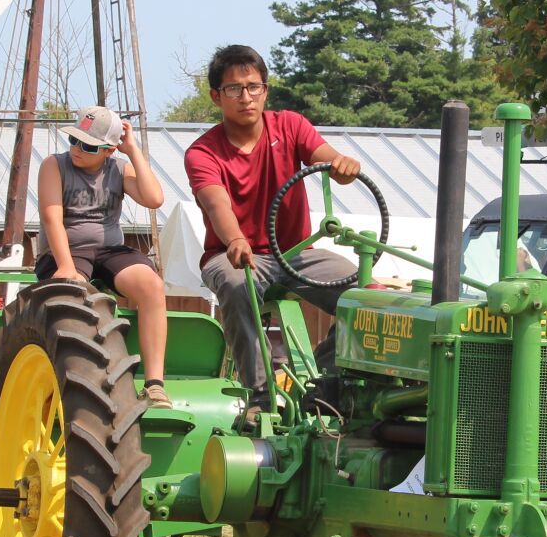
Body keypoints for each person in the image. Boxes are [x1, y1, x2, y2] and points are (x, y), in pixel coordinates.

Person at [184, 45, 361, 422]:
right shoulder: (203, 152)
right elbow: (216, 203)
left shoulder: (290, 126)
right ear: (216, 96)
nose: (245, 97)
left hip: (296, 253)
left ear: (265, 90)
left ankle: (324, 383)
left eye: (254, 87)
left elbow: (328, 159)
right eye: (234, 89)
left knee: (363, 294)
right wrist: (235, 239)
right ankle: (262, 394)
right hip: (233, 255)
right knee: (235, 282)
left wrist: (342, 166)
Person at [38, 105, 172, 409]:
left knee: (152, 286)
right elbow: (51, 218)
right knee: (73, 290)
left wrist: (133, 150)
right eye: (74, 140)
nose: (76, 149)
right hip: (67, 250)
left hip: (108, 249)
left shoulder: (119, 168)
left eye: (87, 146)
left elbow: (154, 198)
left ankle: (154, 385)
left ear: (109, 150)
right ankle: (74, 379)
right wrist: (66, 266)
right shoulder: (54, 165)